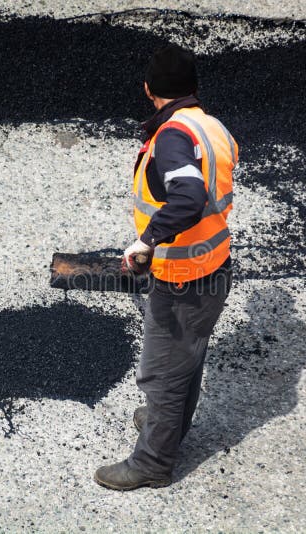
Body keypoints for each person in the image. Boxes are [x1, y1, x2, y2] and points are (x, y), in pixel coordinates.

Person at [94, 44, 238, 490]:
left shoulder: (173, 137)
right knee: (186, 362)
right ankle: (168, 423)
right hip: (213, 266)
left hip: (183, 280)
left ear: (148, 89)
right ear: (193, 87)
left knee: (162, 374)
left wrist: (146, 239)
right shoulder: (211, 126)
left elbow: (189, 197)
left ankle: (153, 463)